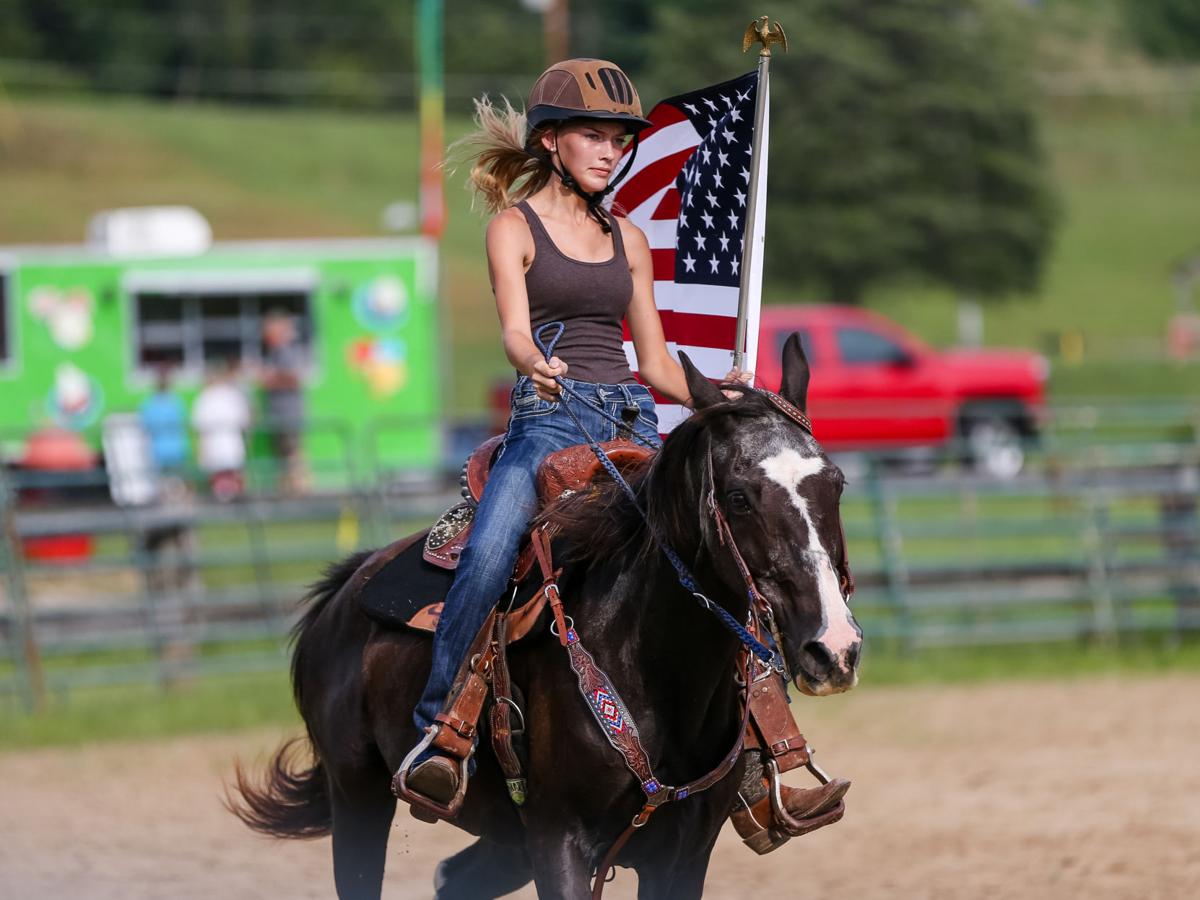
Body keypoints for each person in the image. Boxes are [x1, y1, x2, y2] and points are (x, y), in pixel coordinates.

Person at [399, 59, 845, 850]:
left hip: (634, 426)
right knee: (491, 554)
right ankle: (444, 732)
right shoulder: (513, 225)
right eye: (593, 137)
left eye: (617, 140)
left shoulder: (628, 239)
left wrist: (729, 395)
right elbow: (510, 326)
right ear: (551, 141)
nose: (609, 152)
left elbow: (658, 363)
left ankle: (760, 760)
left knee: (721, 562)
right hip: (546, 422)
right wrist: (529, 355)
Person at [191, 361, 251, 502]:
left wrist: (199, 451)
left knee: (218, 477)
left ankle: (221, 502)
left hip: (215, 445)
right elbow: (246, 422)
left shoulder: (205, 397)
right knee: (233, 475)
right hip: (232, 443)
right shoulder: (234, 394)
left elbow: (199, 428)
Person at [260, 311, 306, 494]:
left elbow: (295, 379)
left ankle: (301, 491)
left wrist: (270, 379)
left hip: (289, 413)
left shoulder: (286, 351)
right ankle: (286, 491)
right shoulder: (274, 353)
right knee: (282, 455)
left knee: (293, 453)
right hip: (278, 413)